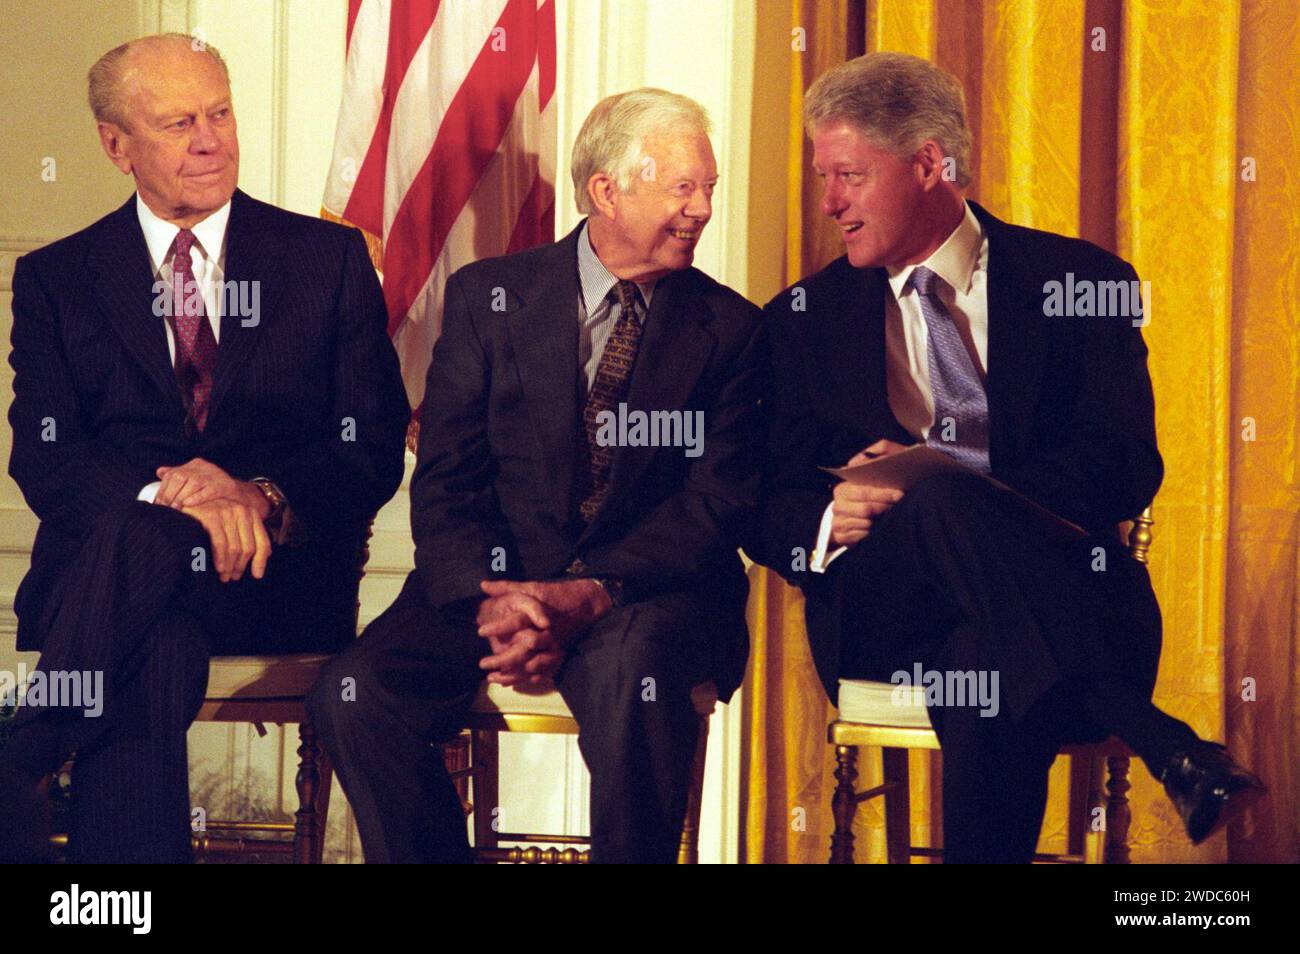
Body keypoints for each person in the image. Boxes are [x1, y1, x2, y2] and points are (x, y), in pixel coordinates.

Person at [753, 52, 1265, 863]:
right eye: (826, 178)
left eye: (848, 175)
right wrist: (826, 517)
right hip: (890, 611)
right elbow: (759, 498)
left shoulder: (1083, 281)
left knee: (983, 646)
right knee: (932, 504)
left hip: (1070, 595)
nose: (829, 203)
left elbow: (1127, 464)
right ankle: (1160, 736)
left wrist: (962, 485)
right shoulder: (800, 320)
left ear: (927, 163)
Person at [308, 88, 766, 864]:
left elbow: (717, 503)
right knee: (353, 696)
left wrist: (584, 594)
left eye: (709, 189)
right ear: (607, 190)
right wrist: (501, 603)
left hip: (643, 596)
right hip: (491, 587)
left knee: (630, 678)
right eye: (682, 187)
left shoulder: (733, 329)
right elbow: (449, 477)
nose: (701, 210)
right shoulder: (489, 298)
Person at [0, 33, 408, 862]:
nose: (210, 140)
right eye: (178, 122)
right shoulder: (58, 277)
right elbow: (45, 458)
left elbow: (367, 445)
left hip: (272, 578)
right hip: (119, 592)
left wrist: (256, 496)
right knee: (160, 638)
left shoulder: (324, 260)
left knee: (151, 600)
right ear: (116, 145)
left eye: (219, 113)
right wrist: (175, 500)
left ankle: (24, 755)